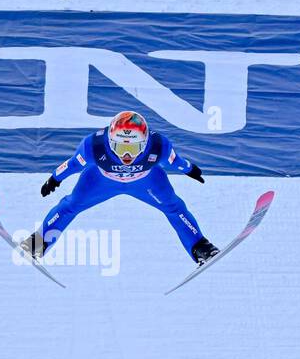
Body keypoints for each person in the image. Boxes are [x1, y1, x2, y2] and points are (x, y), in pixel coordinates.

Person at [22, 110, 219, 264]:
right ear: (109, 141)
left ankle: (200, 247)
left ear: (145, 142)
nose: (126, 156)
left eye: (132, 148)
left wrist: (190, 169)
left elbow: (176, 161)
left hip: (146, 182)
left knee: (174, 207)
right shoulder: (94, 145)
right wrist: (55, 179)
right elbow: (73, 164)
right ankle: (38, 243)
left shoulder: (158, 145)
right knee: (70, 205)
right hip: (101, 181)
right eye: (119, 147)